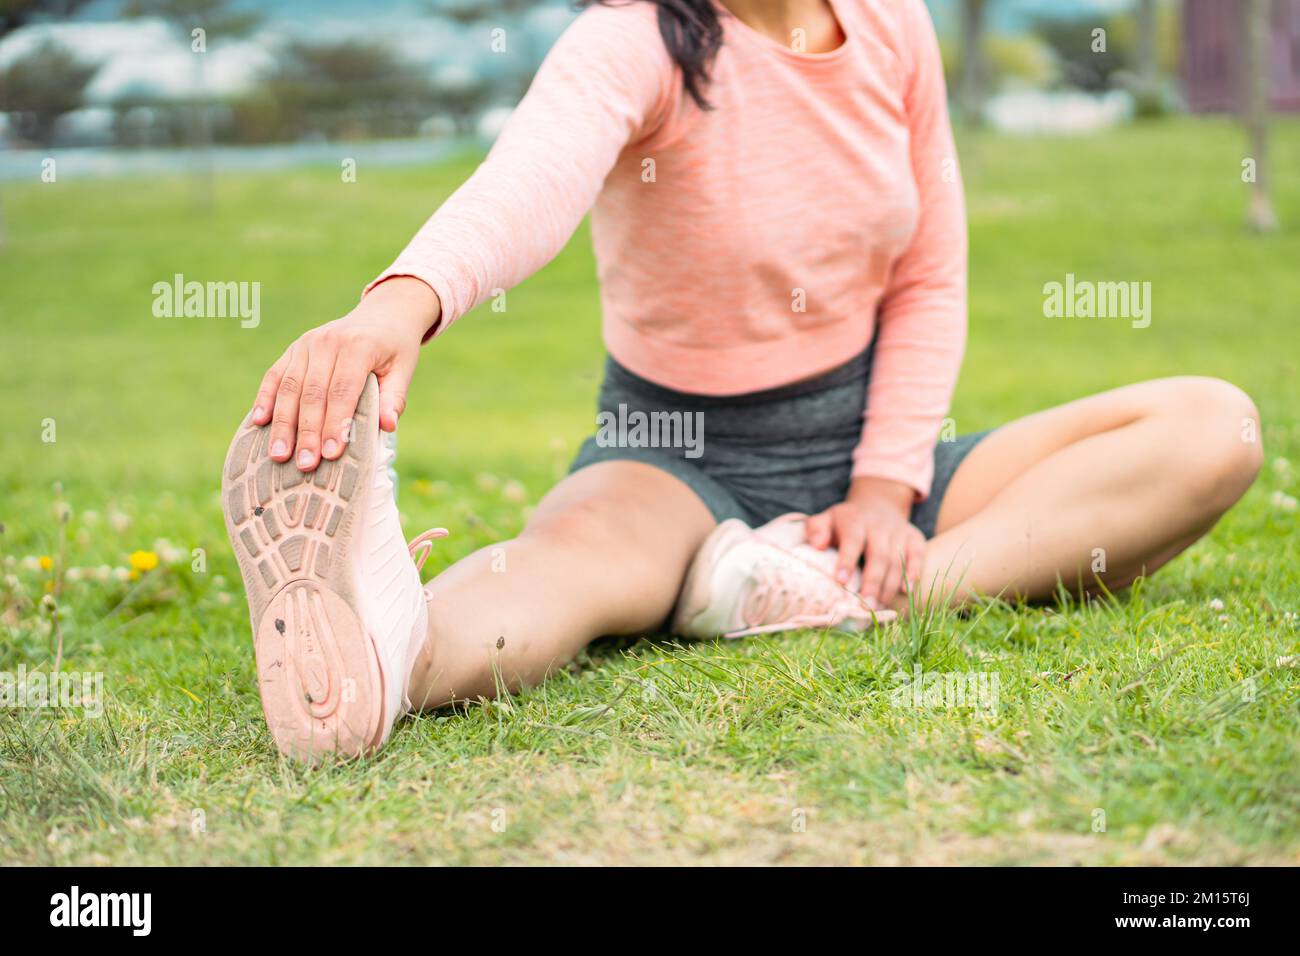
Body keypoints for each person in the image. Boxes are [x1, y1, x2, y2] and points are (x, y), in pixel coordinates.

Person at [222, 0, 1262, 761]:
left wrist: (883, 492)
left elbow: (930, 276)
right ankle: (385, 648)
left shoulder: (891, 28)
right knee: (558, 568)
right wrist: (402, 301)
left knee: (1212, 425)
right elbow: (529, 181)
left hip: (869, 456)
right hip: (671, 460)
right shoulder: (632, 40)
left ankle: (844, 594)